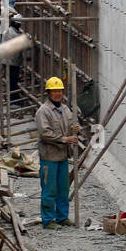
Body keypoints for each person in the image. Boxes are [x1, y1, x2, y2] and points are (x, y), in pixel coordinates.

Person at [35, 77, 80, 228]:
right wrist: (64, 139)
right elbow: (45, 133)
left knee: (63, 188)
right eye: (54, 91)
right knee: (49, 189)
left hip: (62, 156)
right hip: (49, 157)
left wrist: (75, 129)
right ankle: (48, 220)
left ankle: (62, 217)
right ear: (48, 93)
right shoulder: (44, 111)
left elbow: (71, 124)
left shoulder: (65, 109)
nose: (57, 94)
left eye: (59, 91)